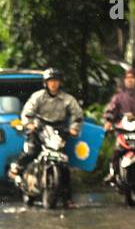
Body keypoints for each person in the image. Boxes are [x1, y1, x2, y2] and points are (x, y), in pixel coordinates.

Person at [11, 68, 84, 202]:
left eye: (56, 81)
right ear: (46, 83)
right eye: (50, 81)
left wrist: (74, 129)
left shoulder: (68, 99)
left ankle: (67, 198)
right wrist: (29, 124)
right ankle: (17, 169)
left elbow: (77, 115)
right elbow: (27, 113)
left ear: (60, 83)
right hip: (40, 128)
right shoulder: (38, 96)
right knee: (32, 151)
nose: (53, 84)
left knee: (64, 163)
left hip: (59, 130)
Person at [103, 68, 135, 183]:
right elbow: (110, 112)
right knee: (116, 153)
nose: (130, 80)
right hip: (124, 132)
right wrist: (108, 121)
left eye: (132, 78)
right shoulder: (118, 97)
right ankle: (113, 172)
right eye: (127, 78)